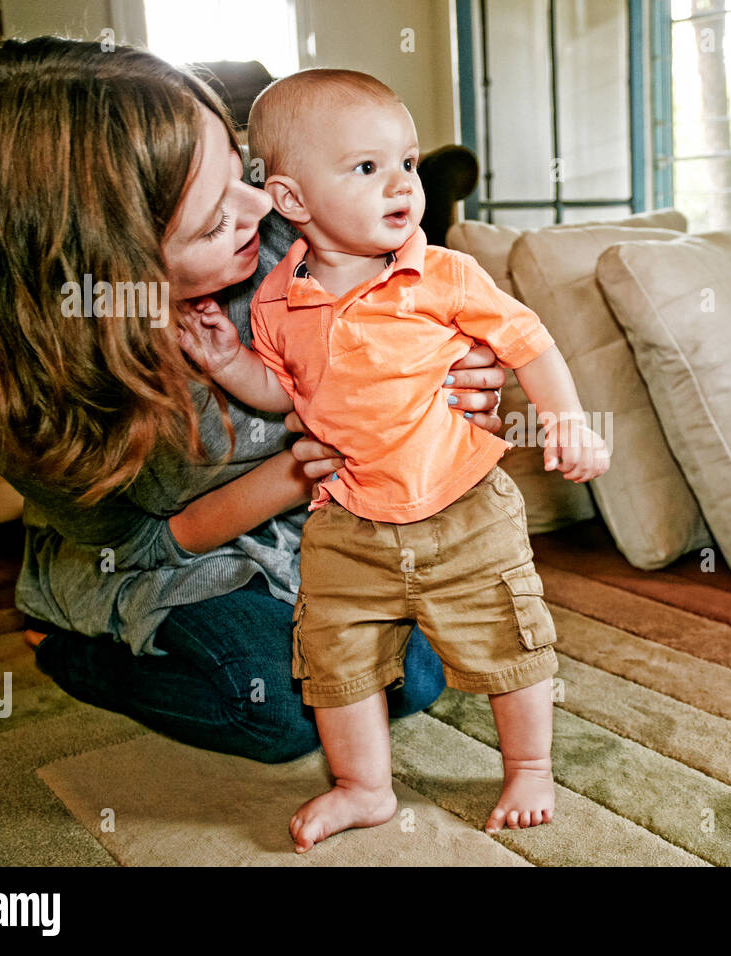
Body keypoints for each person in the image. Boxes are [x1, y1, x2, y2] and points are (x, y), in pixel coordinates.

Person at [0, 38, 510, 764]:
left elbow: (418, 322)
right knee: (281, 708)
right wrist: (298, 469)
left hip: (313, 529)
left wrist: (462, 374)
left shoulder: (289, 238)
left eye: (240, 169)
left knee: (414, 676)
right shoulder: (28, 390)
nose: (259, 207)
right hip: (161, 561)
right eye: (209, 222)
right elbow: (135, 544)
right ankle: (74, 648)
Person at [179, 69, 609, 849]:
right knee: (334, 655)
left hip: (462, 507)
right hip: (346, 521)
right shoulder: (280, 297)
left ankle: (531, 766)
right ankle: (363, 786)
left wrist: (567, 423)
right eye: (367, 168)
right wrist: (226, 363)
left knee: (507, 639)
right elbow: (281, 390)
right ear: (293, 202)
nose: (401, 185)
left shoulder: (440, 273)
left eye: (407, 163)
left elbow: (528, 341)